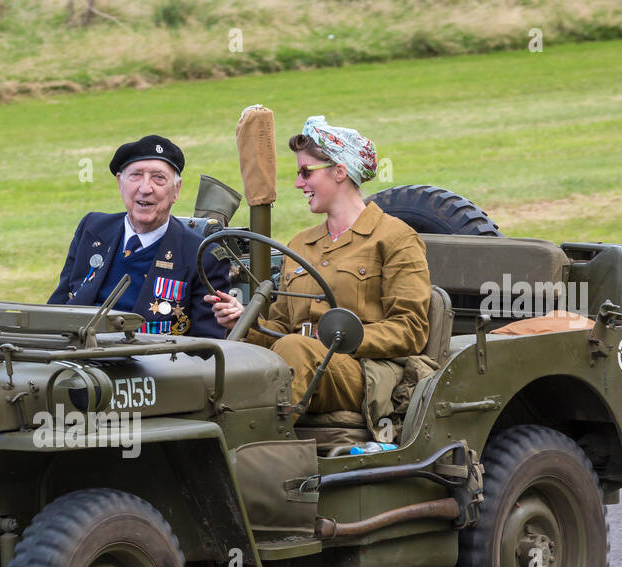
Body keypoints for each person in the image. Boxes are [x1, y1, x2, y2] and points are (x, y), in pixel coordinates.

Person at [215, 116, 432, 416]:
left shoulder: (395, 238)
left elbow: (410, 330)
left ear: (340, 172)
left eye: (306, 172)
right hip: (302, 362)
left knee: (295, 349)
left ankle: (256, 444)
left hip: (363, 372)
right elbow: (281, 326)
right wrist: (245, 323)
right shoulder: (301, 244)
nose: (298, 183)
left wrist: (335, 339)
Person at [49, 135, 241, 337]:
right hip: (74, 357)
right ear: (120, 183)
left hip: (149, 364)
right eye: (136, 175)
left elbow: (205, 350)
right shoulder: (92, 229)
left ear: (176, 190)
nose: (145, 188)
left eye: (159, 178)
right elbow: (56, 308)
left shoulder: (203, 257)